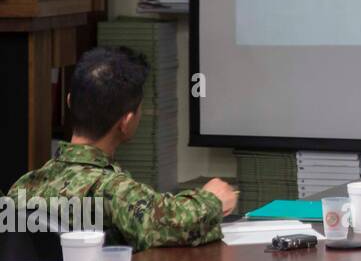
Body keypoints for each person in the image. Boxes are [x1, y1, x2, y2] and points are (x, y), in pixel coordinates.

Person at [6, 47, 236, 249]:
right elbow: (169, 224)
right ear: (125, 123)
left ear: (69, 102)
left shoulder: (23, 187)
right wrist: (212, 201)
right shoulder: (113, 190)